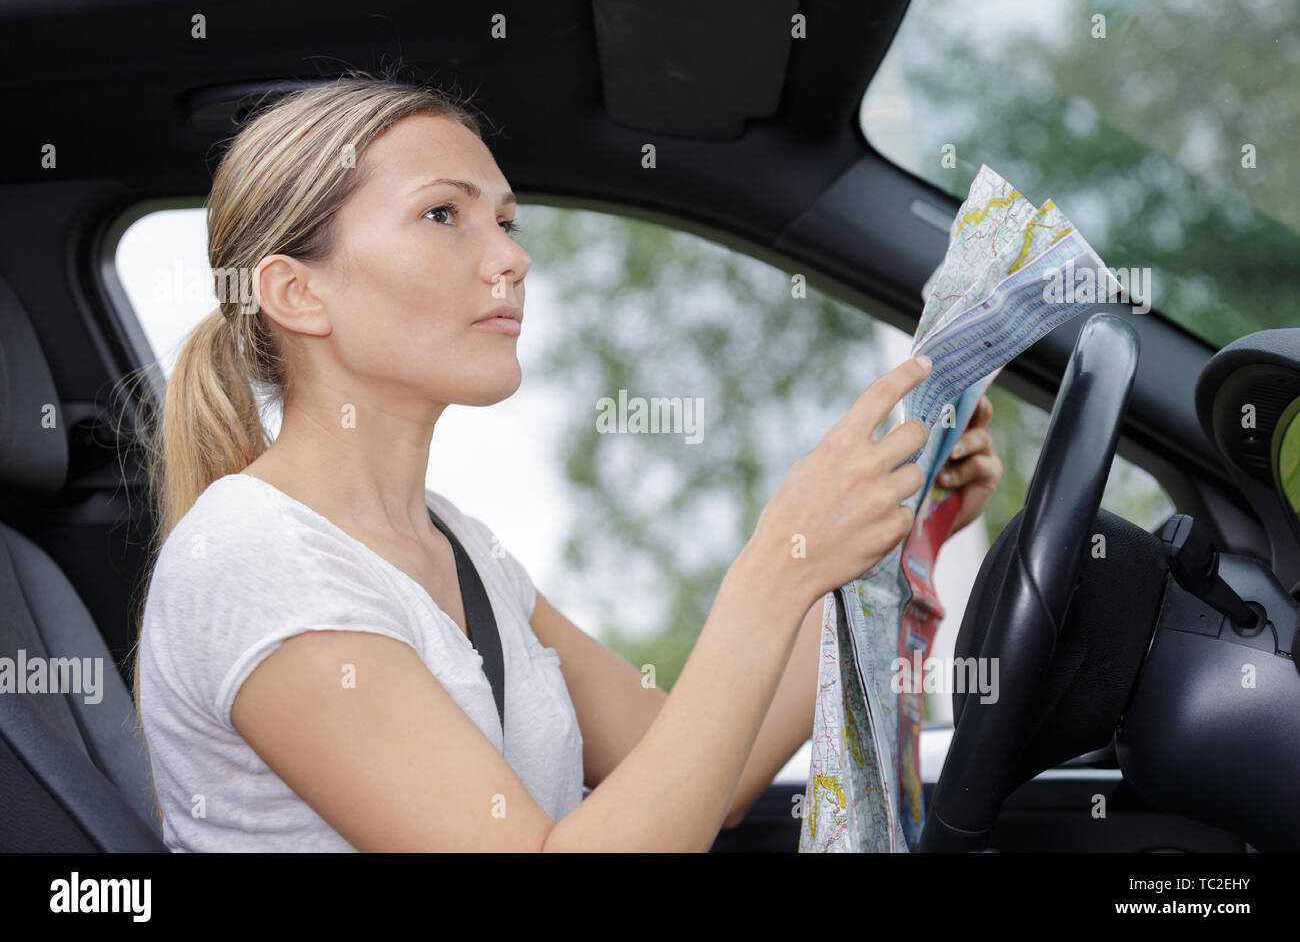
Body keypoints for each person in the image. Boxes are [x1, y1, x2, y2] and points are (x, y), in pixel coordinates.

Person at [130, 73, 1003, 852]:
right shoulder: (259, 562)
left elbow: (706, 775)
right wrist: (777, 558)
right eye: (445, 215)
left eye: (505, 221)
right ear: (297, 292)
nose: (513, 257)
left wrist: (893, 522)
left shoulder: (460, 546)